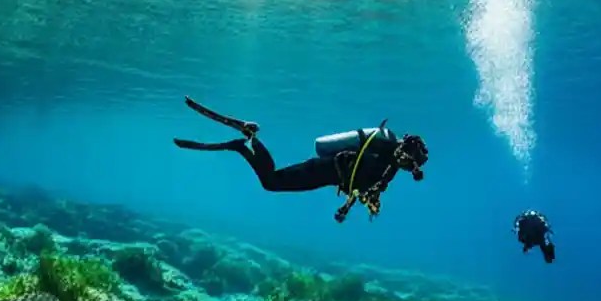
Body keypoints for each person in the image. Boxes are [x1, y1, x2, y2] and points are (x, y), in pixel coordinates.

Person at [172, 96, 429, 222]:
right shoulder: (383, 158)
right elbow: (356, 174)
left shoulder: (389, 165)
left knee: (272, 181)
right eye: (409, 161)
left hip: (325, 175)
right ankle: (248, 139)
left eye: (410, 165)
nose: (407, 166)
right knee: (271, 182)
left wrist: (363, 201)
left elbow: (368, 187)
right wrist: (357, 198)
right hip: (322, 170)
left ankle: (245, 143)